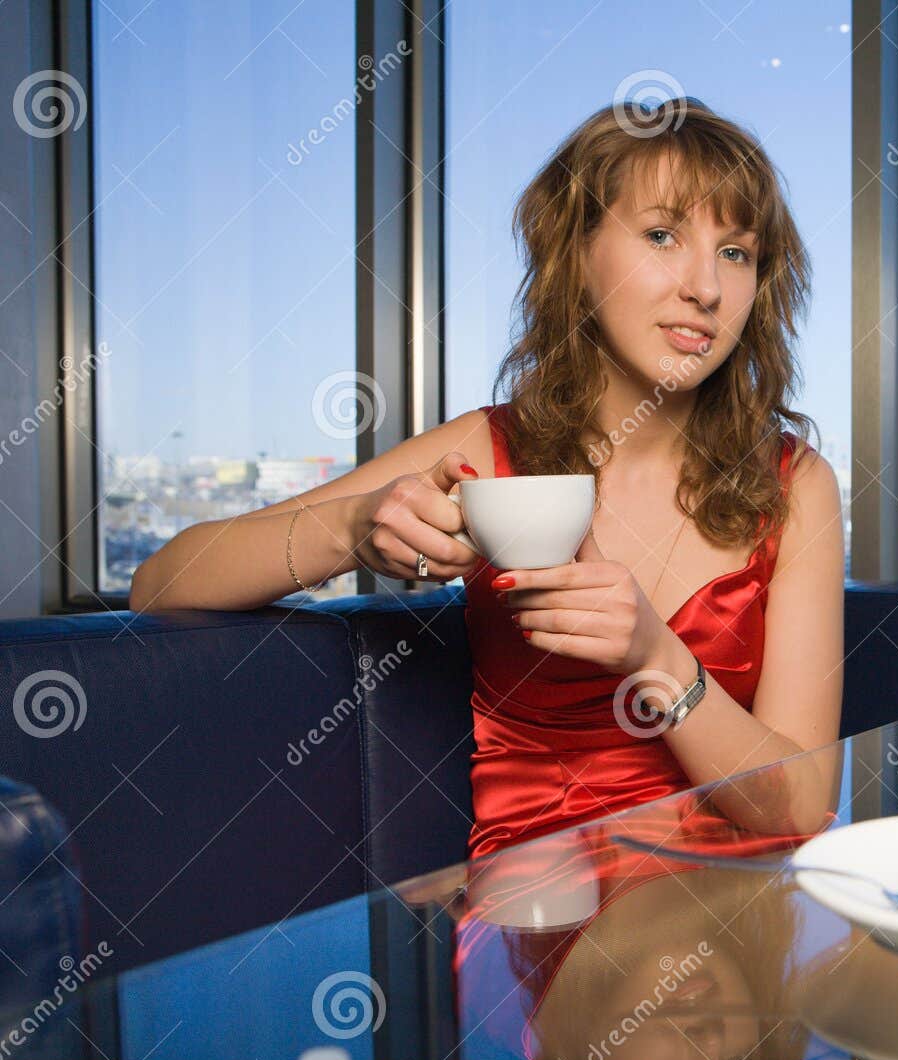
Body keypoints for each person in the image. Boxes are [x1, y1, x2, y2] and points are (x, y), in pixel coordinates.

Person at [130, 96, 845, 858]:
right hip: (548, 905)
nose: (706, 287)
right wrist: (352, 528)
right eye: (663, 235)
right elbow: (161, 585)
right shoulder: (487, 449)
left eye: (736, 252)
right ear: (576, 253)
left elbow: (795, 808)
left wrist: (658, 660)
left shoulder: (794, 484)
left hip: (741, 910)